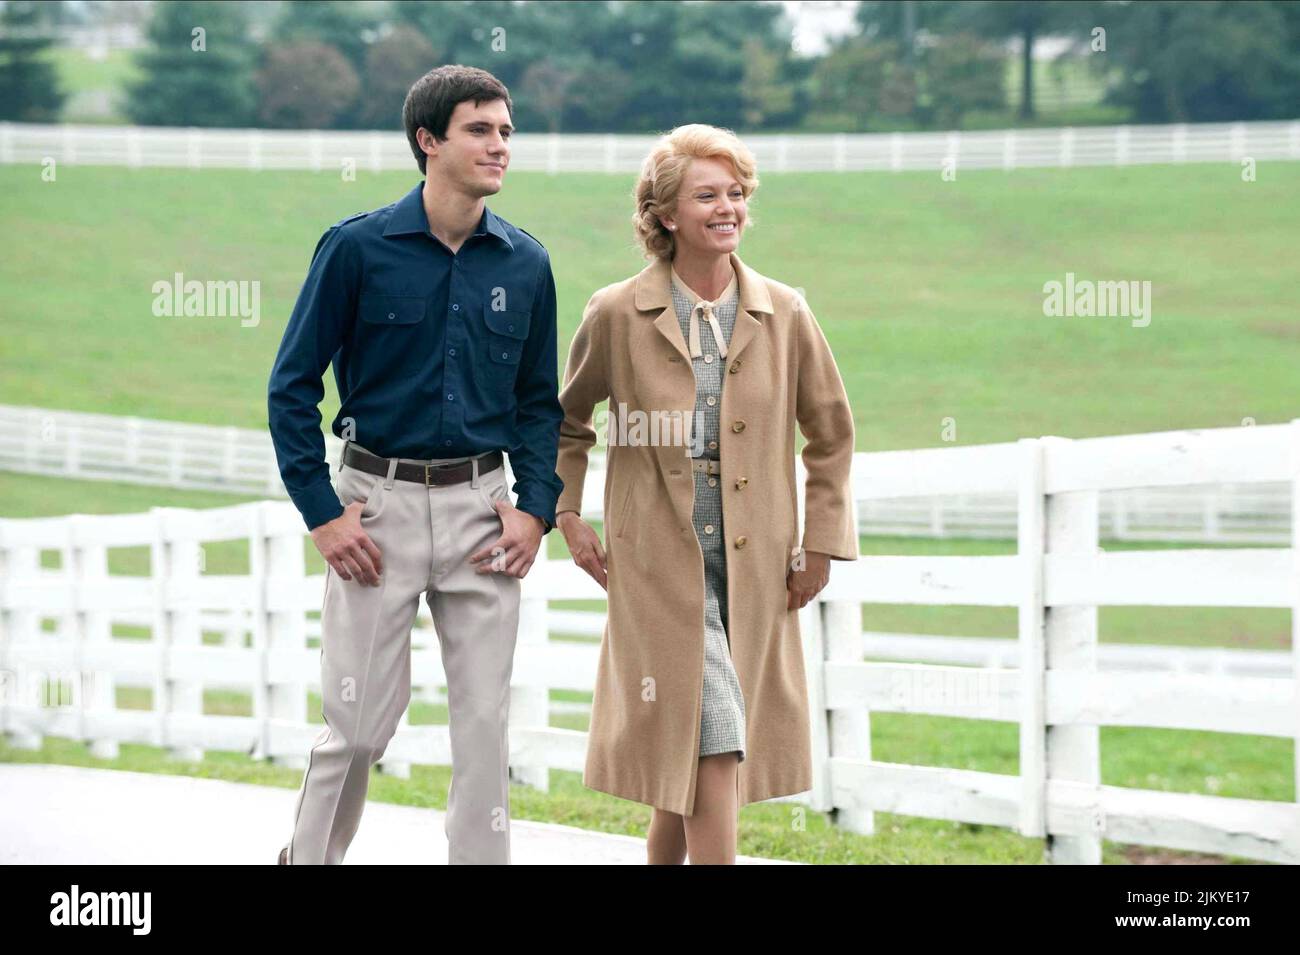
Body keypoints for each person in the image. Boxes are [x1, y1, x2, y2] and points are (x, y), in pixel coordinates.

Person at [266, 65, 564, 865]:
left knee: (481, 724)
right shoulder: (357, 249)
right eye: (480, 129)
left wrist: (535, 506)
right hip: (375, 511)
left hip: (482, 511)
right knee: (358, 725)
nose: (499, 144)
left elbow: (540, 404)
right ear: (428, 141)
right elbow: (292, 385)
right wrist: (321, 513)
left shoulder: (526, 264)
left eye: (505, 130)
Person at [554, 124, 859, 864]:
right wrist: (566, 510)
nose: (728, 208)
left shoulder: (785, 311)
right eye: (707, 195)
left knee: (687, 748)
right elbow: (565, 420)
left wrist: (820, 542)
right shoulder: (617, 312)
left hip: (755, 564)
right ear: (665, 215)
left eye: (736, 194)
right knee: (716, 735)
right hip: (654, 562)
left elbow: (831, 433)